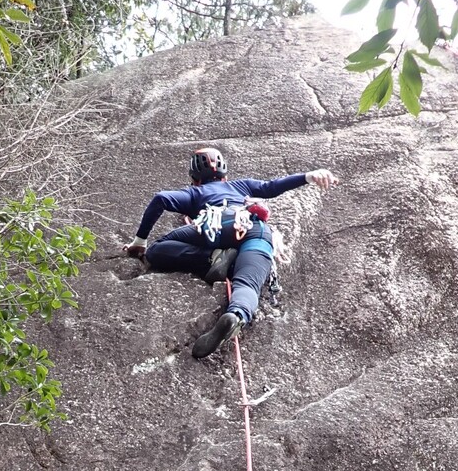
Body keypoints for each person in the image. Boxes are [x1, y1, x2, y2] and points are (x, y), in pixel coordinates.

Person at [123, 146, 337, 358]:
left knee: (157, 249)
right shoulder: (240, 186)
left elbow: (160, 198)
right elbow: (271, 187)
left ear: (195, 177)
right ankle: (236, 315)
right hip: (256, 230)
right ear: (224, 175)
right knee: (247, 283)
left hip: (216, 225)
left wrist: (139, 242)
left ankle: (210, 258)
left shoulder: (195, 192)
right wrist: (308, 176)